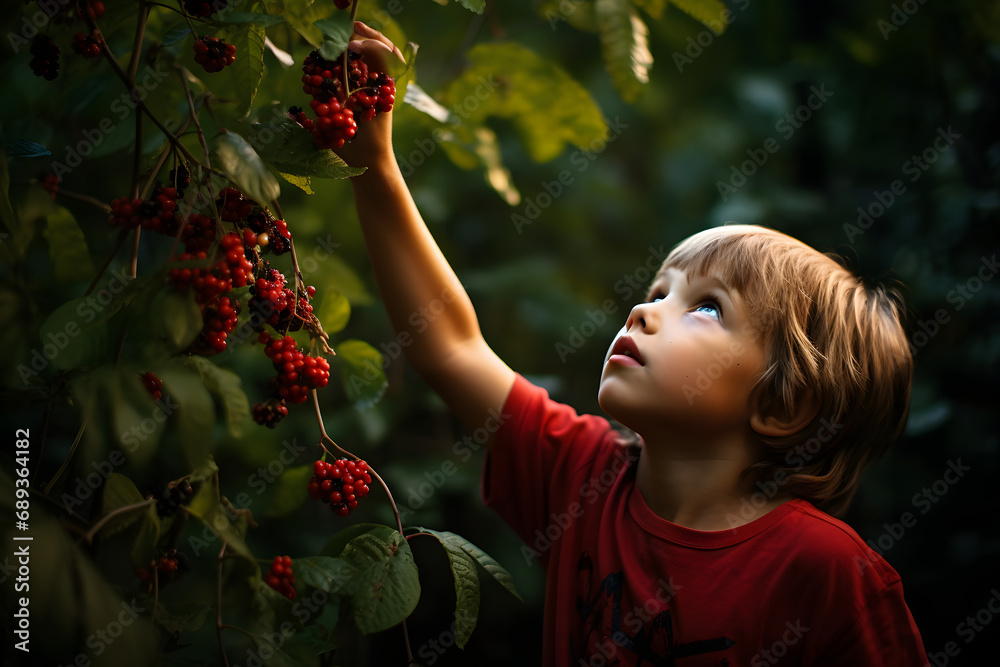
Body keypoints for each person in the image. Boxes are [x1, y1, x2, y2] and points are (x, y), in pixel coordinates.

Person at [339, 22, 927, 666]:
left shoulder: (830, 575)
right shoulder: (583, 478)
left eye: (706, 307)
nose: (646, 312)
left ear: (783, 405)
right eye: (658, 290)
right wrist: (375, 165)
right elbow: (450, 345)